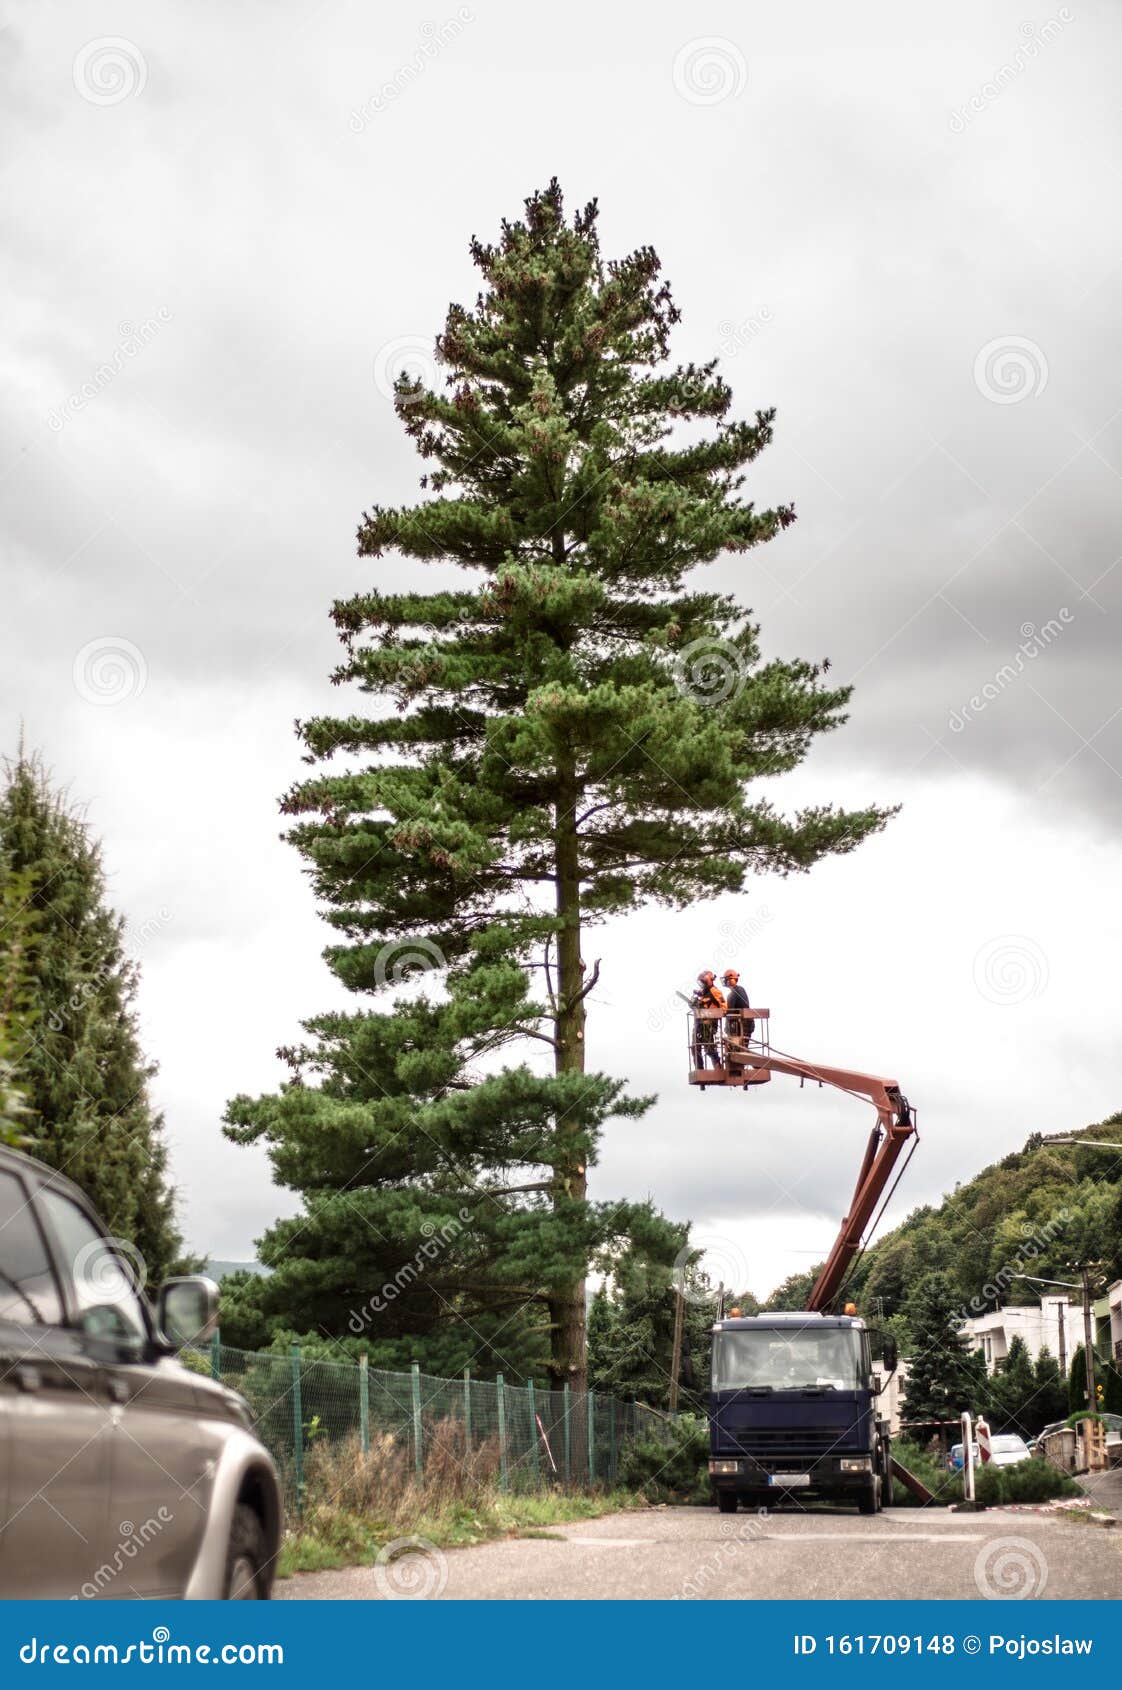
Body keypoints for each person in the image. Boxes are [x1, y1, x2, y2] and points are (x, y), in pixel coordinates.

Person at [690, 969, 725, 1069]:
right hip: (699, 1023)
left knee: (709, 1047)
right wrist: (694, 1004)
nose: (702, 984)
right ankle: (699, 1069)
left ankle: (718, 1068)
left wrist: (713, 1014)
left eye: (703, 982)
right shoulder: (703, 992)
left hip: (709, 1024)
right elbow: (701, 1005)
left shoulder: (715, 991)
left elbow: (724, 1006)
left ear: (708, 981)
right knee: (695, 1047)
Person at [720, 968, 755, 1044]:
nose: (726, 982)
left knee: (735, 1050)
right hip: (747, 1025)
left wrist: (722, 1009)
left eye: (726, 979)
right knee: (743, 1048)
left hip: (740, 1026)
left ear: (730, 979)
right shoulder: (741, 989)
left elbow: (730, 1012)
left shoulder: (733, 993)